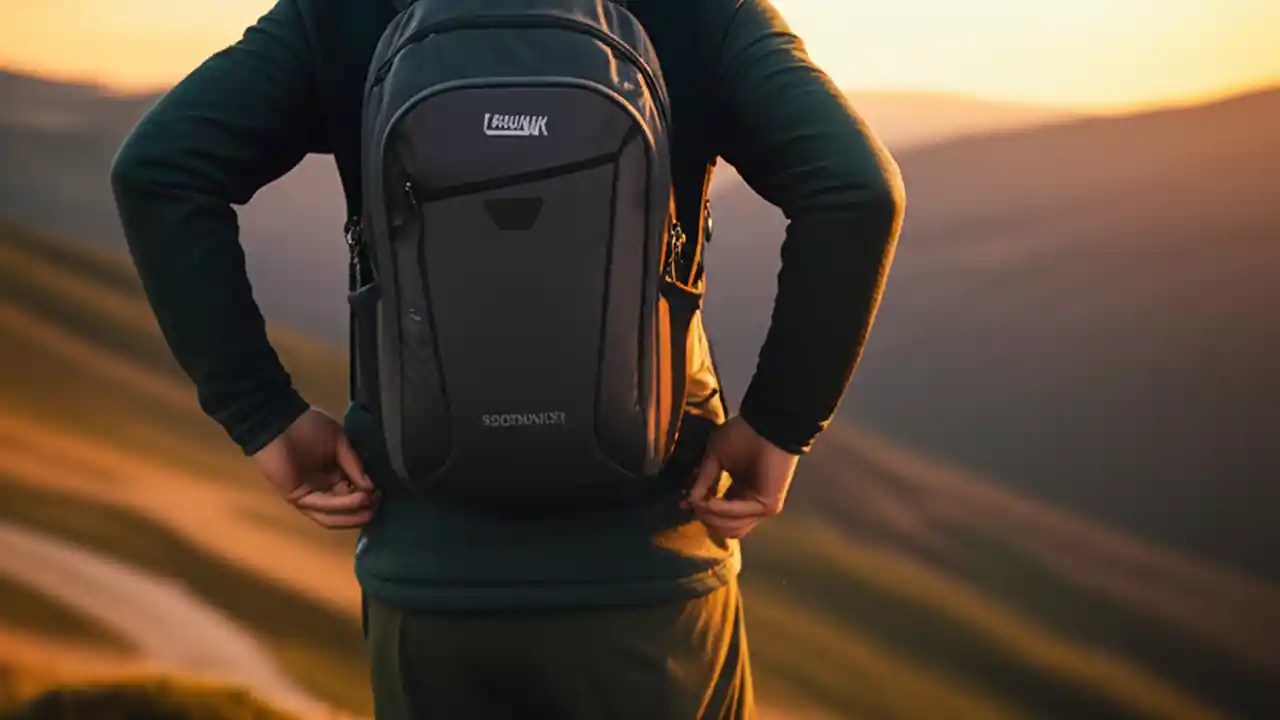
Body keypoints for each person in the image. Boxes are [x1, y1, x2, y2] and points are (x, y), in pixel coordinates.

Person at [110, 0, 905, 717]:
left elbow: (160, 170)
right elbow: (857, 190)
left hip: (430, 573)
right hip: (648, 572)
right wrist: (779, 425)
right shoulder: (703, 14)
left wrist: (264, 417)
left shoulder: (340, 14)